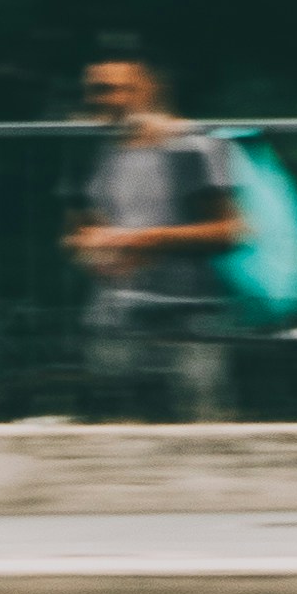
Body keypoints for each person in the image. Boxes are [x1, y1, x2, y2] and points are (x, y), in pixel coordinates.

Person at [68, 44, 244, 421]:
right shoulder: (94, 150)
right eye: (94, 89)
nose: (99, 99)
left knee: (203, 427)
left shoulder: (193, 146)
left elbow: (230, 230)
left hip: (190, 313)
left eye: (111, 88)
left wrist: (139, 239)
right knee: (117, 429)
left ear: (149, 89)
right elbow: (77, 230)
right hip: (115, 312)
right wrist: (88, 248)